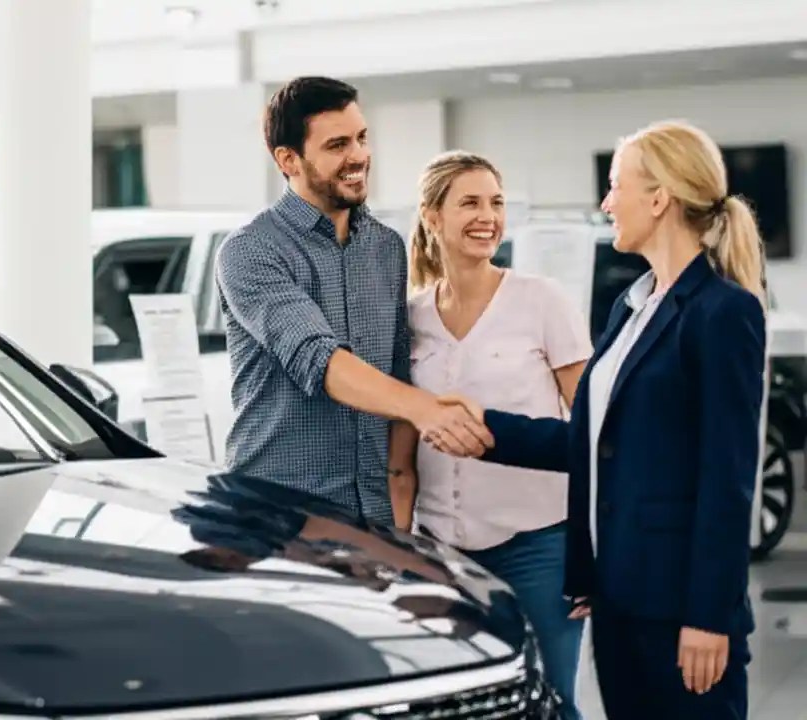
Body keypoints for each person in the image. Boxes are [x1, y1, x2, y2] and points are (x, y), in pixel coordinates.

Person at [426, 120, 767, 719]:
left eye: (616, 186)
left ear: (659, 199)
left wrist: (709, 617)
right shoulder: (631, 307)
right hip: (618, 597)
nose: (606, 203)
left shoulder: (722, 312)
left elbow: (727, 479)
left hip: (680, 610)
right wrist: (486, 428)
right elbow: (596, 444)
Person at [213, 76, 491, 528]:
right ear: (289, 160)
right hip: (280, 515)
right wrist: (426, 408)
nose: (358, 156)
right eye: (337, 145)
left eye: (362, 138)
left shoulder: (385, 247)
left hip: (375, 518)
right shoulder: (251, 250)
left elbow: (398, 367)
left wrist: (400, 516)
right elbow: (317, 359)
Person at [386, 150, 592, 718]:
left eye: (496, 202)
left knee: (550, 702)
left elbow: (597, 436)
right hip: (443, 549)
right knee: (461, 704)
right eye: (470, 202)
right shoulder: (410, 318)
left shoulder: (542, 300)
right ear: (432, 216)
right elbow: (399, 460)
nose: (488, 216)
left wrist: (591, 556)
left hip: (539, 546)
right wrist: (402, 552)